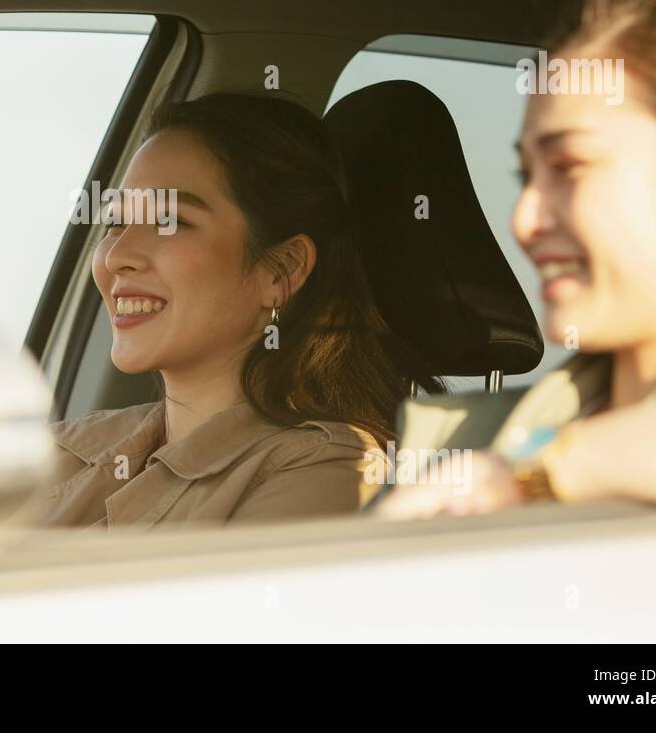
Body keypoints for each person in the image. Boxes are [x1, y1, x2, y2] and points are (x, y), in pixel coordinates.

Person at [375, 0, 656, 523]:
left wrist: (538, 471)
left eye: (570, 166)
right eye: (525, 176)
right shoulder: (452, 443)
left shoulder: (494, 467)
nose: (524, 218)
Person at [33, 93, 439, 530]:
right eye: (116, 222)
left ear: (281, 271)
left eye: (170, 221)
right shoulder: (66, 450)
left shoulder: (329, 474)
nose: (117, 256)